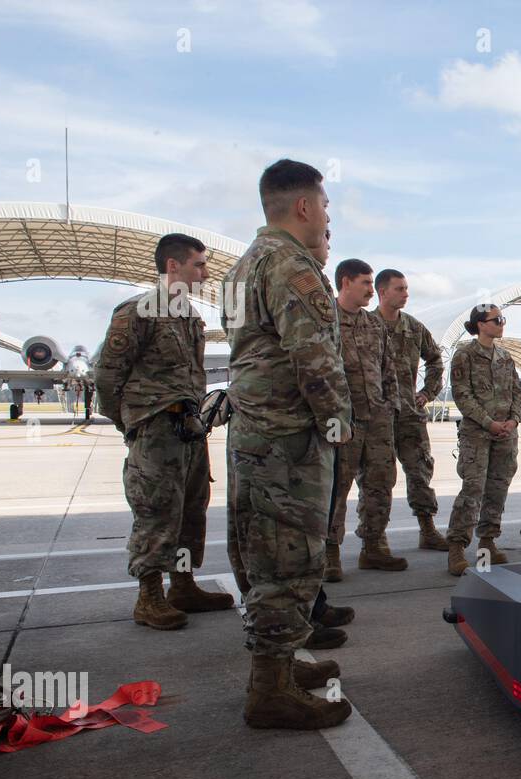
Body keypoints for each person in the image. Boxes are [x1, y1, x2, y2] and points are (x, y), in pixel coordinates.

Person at [223, 158, 353, 730]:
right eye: (324, 204)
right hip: (289, 441)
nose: (326, 213)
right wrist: (338, 424)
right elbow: (313, 358)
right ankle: (269, 690)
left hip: (255, 433)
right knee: (290, 558)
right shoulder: (292, 266)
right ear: (304, 206)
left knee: (261, 551)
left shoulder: (243, 264)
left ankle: (278, 666)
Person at [94, 233, 234, 630]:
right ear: (173, 266)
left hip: (189, 428)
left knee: (191, 510)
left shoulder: (189, 316)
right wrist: (132, 423)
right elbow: (107, 376)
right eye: (199, 264)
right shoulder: (138, 311)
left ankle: (183, 584)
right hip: (156, 428)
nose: (205, 272)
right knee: (155, 510)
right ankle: (149, 596)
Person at [325, 258, 406, 577]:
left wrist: (391, 406)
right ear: (345, 282)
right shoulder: (325, 320)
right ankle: (329, 552)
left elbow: (389, 369)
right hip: (342, 420)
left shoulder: (374, 325)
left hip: (377, 418)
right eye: (366, 283)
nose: (372, 291)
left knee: (380, 484)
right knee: (336, 488)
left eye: (373, 284)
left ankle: (373, 546)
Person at [374, 268, 448, 551]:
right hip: (376, 416)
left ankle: (427, 529)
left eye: (406, 288)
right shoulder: (365, 325)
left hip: (409, 415)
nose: (406, 294)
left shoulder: (414, 328)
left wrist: (427, 392)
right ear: (383, 292)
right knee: (378, 478)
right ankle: (376, 539)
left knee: (420, 472)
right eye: (399, 289)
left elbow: (435, 360)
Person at [447, 304, 521, 575]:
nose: (502, 323)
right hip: (477, 434)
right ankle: (456, 547)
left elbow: (517, 391)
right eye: (497, 319)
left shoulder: (504, 356)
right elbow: (462, 395)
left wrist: (514, 420)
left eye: (503, 319)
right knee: (473, 489)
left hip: (505, 435)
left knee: (497, 489)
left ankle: (487, 543)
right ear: (481, 324)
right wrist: (488, 422)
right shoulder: (464, 355)